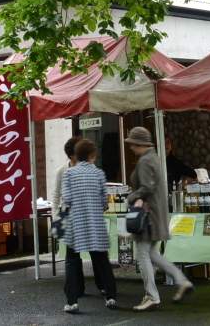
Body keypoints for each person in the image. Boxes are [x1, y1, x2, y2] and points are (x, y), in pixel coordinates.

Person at [125, 127, 193, 312]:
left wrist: (131, 197)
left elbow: (146, 187)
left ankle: (152, 296)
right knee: (153, 254)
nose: (130, 147)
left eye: (132, 143)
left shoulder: (145, 161)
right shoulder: (153, 158)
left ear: (139, 144)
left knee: (142, 254)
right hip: (156, 214)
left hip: (148, 216)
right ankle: (181, 280)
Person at [61, 139, 117, 314]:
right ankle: (110, 296)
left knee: (71, 261)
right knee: (102, 260)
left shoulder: (69, 174)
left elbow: (67, 200)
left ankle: (72, 301)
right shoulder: (99, 174)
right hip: (96, 224)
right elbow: (104, 203)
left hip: (76, 223)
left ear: (77, 155)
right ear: (93, 156)